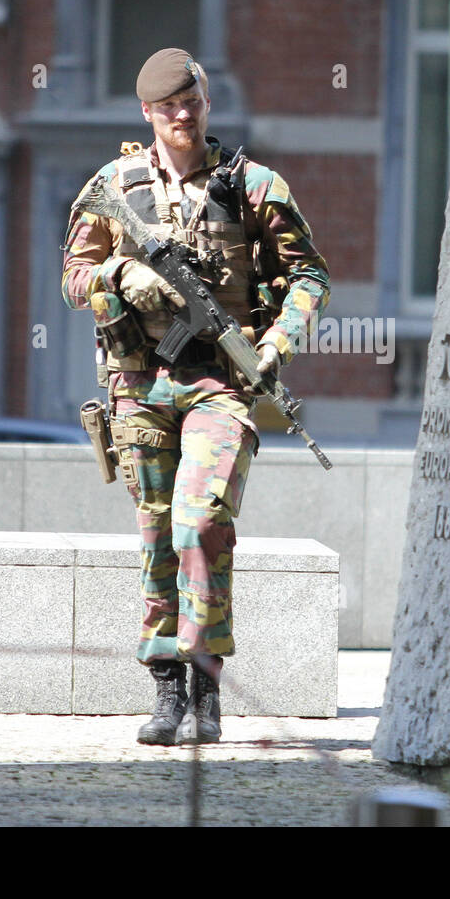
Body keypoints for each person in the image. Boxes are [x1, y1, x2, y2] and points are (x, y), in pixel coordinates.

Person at [60, 48, 329, 744]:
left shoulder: (253, 185)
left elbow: (309, 278)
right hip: (139, 385)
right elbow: (72, 275)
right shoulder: (111, 185)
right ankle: (165, 688)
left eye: (194, 102)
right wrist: (119, 273)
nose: (183, 115)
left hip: (220, 383)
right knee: (156, 533)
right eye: (169, 106)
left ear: (207, 104)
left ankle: (205, 677)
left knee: (200, 522)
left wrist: (274, 346)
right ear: (147, 112)